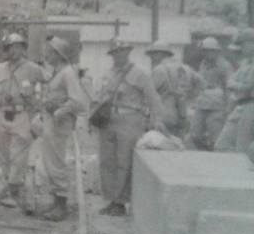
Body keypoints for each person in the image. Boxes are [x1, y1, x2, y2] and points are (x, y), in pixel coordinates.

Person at [95, 38, 165, 216]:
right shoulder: (108, 73)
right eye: (115, 52)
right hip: (109, 119)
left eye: (122, 51)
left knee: (124, 161)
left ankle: (120, 202)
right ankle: (111, 199)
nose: (118, 55)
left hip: (130, 120)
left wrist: (157, 120)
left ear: (128, 52)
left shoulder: (140, 73)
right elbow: (100, 96)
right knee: (107, 160)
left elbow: (154, 99)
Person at [0, 33, 45, 213]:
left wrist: (39, 108)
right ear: (6, 50)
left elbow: (48, 84)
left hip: (21, 114)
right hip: (2, 113)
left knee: (18, 155)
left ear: (23, 49)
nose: (14, 51)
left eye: (18, 47)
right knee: (4, 155)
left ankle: (13, 188)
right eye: (10, 47)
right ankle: (8, 184)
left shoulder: (33, 69)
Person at [39, 36, 86, 222]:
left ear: (58, 54)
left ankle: (61, 204)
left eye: (50, 52)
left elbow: (77, 100)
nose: (47, 55)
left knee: (56, 162)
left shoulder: (67, 73)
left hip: (58, 122)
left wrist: (59, 111)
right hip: (52, 120)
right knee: (50, 161)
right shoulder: (57, 72)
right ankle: (56, 200)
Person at [145, 42, 202, 141]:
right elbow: (201, 83)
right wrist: (189, 94)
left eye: (153, 55)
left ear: (160, 54)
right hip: (182, 112)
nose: (152, 58)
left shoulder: (159, 69)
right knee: (177, 145)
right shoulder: (187, 68)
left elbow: (149, 92)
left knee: (159, 145)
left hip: (163, 112)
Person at [214, 28, 254, 153]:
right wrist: (236, 84)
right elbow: (230, 82)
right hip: (240, 105)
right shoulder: (245, 63)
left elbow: (248, 87)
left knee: (242, 147)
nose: (242, 48)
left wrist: (235, 85)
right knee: (221, 145)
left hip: (250, 105)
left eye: (243, 44)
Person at [193, 37, 234, 150]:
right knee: (195, 135)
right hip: (202, 103)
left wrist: (229, 107)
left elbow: (230, 88)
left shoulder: (225, 66)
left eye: (210, 50)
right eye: (205, 50)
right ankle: (205, 152)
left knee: (216, 137)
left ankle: (214, 158)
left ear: (216, 51)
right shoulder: (203, 64)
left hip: (217, 106)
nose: (207, 53)